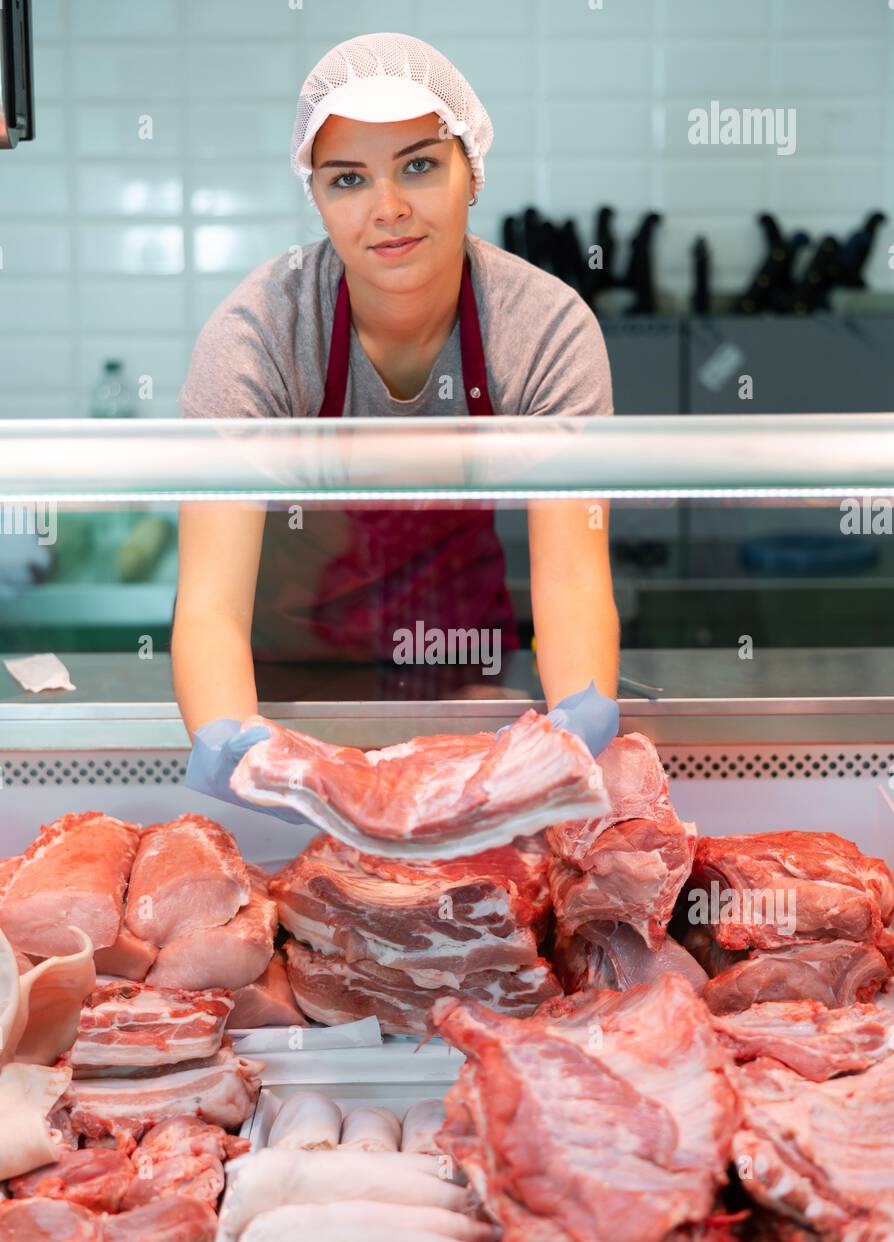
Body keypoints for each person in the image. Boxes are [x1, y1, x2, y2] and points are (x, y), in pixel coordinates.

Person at [174, 33, 620, 809]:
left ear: (471, 170)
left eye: (419, 164)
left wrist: (571, 735)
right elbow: (210, 603)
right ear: (314, 194)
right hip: (292, 714)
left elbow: (573, 574)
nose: (389, 209)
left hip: (475, 703)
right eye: (348, 178)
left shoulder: (544, 328)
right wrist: (234, 739)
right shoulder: (260, 333)